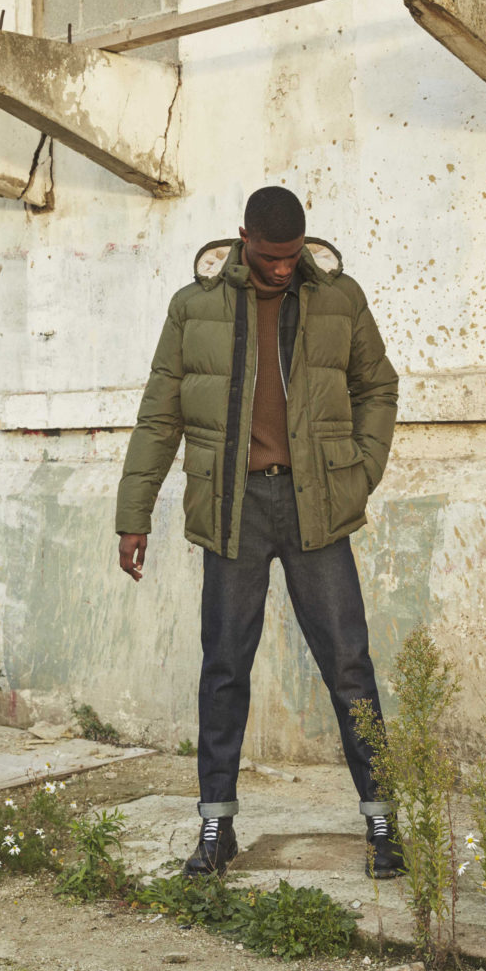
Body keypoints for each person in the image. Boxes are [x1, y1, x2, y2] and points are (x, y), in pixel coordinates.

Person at [116, 186, 402, 879]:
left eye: (291, 255)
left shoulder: (340, 298)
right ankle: (216, 828)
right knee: (224, 669)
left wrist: (359, 473)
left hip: (315, 507)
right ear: (244, 238)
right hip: (232, 508)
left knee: (349, 666)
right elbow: (159, 415)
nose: (281, 267)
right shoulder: (194, 307)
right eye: (271, 256)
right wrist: (133, 516)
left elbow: (378, 387)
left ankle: (382, 821)